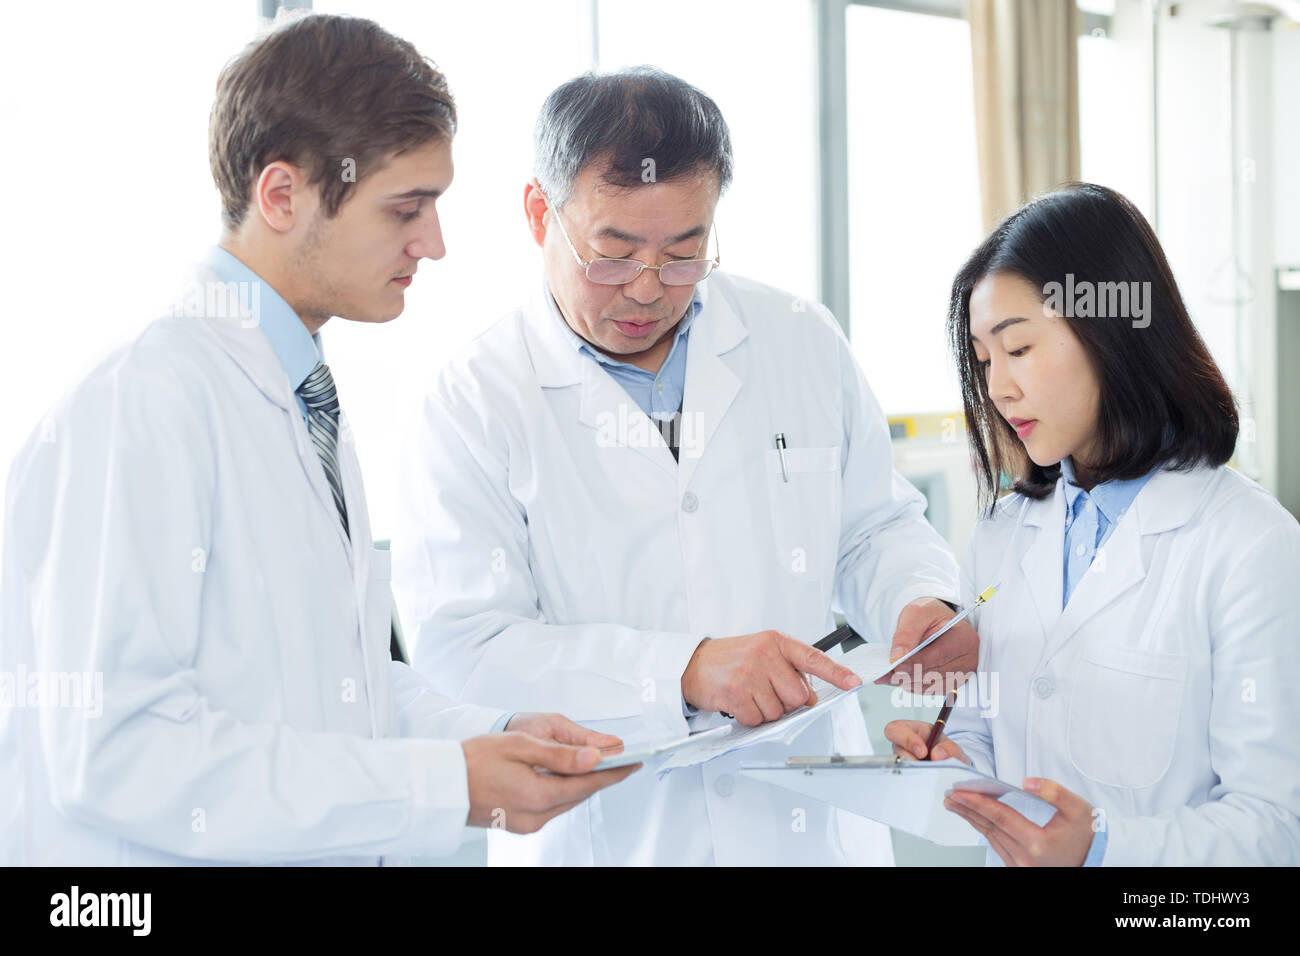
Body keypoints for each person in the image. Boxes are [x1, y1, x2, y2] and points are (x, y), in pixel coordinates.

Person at [0, 13, 637, 866]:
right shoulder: (144, 402)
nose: (434, 244)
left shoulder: (300, 395)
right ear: (282, 196)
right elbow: (118, 752)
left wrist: (491, 738)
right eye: (405, 208)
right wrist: (446, 785)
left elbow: (340, 691)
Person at [392, 67, 977, 866]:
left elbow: (875, 525)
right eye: (614, 251)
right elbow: (459, 646)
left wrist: (919, 600)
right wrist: (682, 670)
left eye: (683, 253)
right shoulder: (474, 399)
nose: (645, 288)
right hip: (613, 835)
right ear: (540, 214)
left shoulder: (796, 338)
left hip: (805, 833)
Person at [885, 183, 1300, 865]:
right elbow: (993, 737)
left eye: (1017, 350)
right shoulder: (1002, 533)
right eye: (984, 361)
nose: (998, 389)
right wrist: (955, 763)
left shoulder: (1250, 545)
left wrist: (1102, 846)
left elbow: (1277, 825)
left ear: (1112, 332)